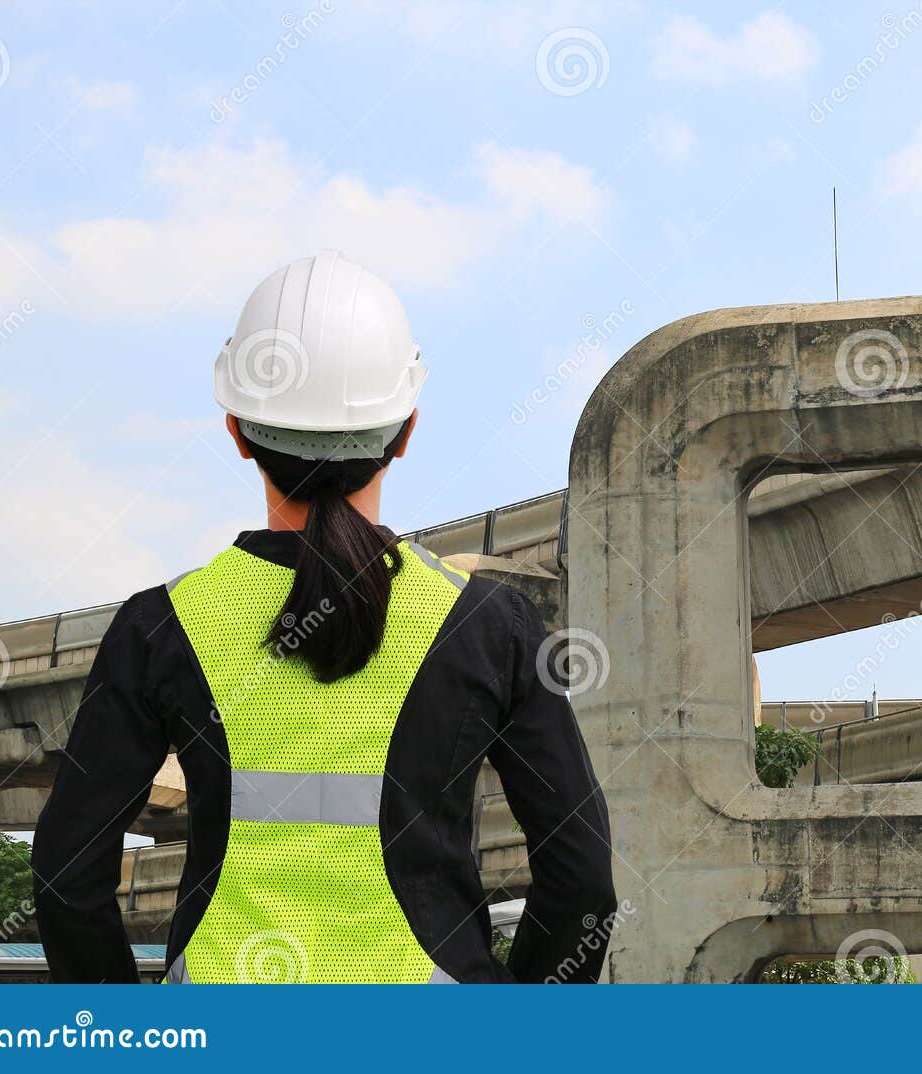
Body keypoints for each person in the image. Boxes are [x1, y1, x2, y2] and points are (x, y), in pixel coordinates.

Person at [32, 251, 616, 983]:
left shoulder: (161, 626)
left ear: (238, 433)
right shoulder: (489, 625)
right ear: (403, 433)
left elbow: (65, 872)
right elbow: (583, 879)